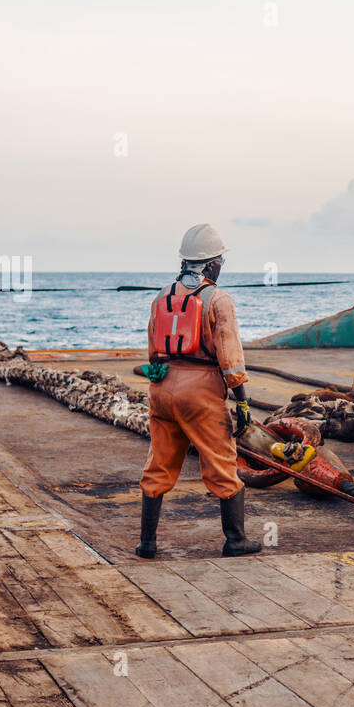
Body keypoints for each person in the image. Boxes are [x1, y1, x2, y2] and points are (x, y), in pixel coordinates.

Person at [136, 223, 262, 558]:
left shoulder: (162, 296)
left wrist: (160, 378)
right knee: (222, 463)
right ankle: (235, 541)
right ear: (211, 264)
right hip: (201, 392)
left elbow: (152, 349)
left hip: (161, 387)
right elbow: (230, 357)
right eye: (220, 261)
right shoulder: (218, 300)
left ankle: (147, 543)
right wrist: (243, 403)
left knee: (159, 463)